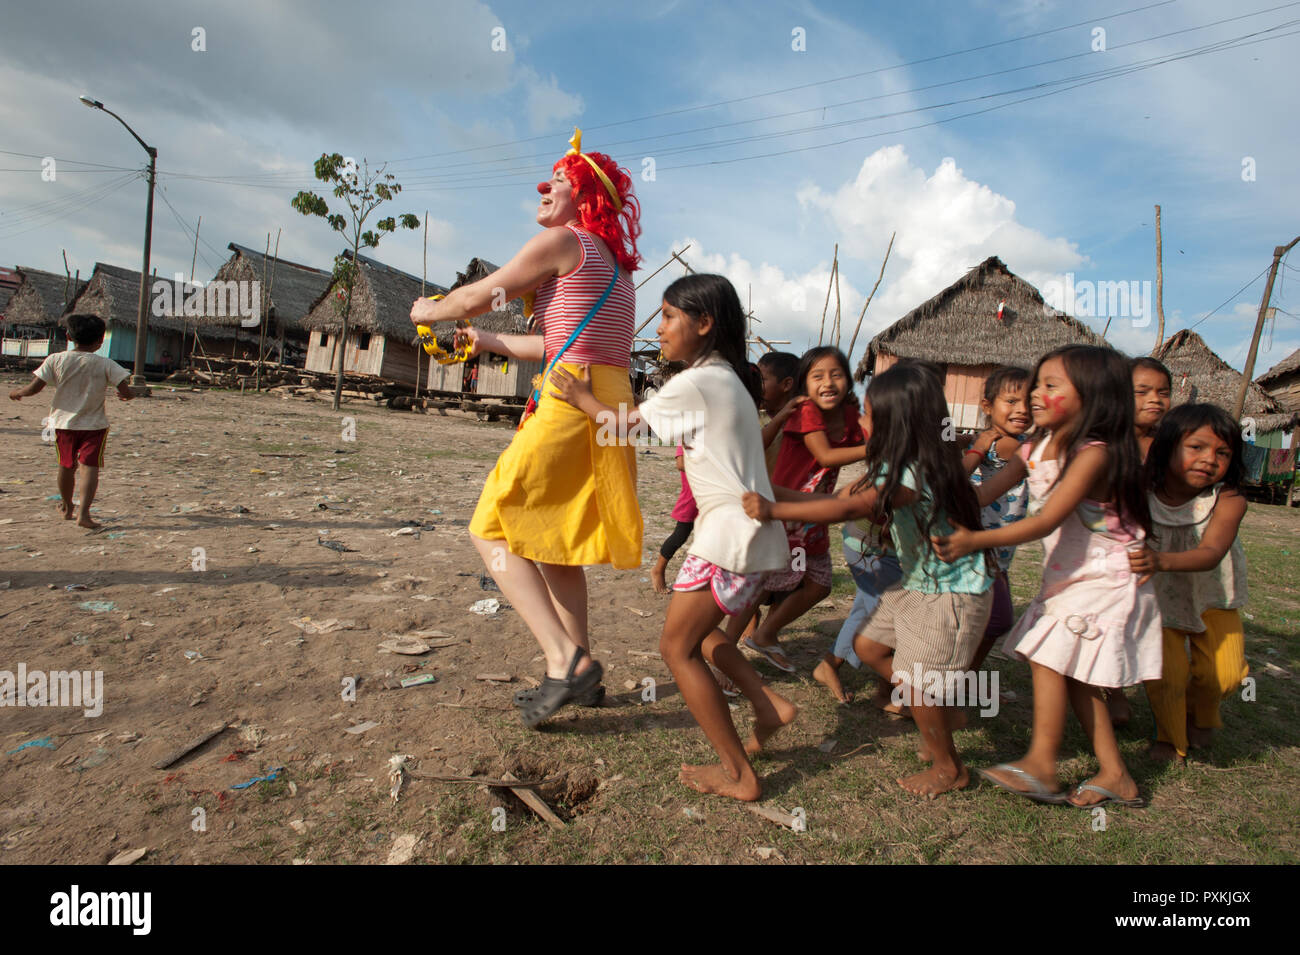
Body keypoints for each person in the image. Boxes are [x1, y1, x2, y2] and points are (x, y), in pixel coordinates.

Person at [409, 128, 641, 727]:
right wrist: (487, 342)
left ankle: (565, 659)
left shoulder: (564, 241)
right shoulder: (615, 269)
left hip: (568, 401)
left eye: (559, 182)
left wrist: (431, 310)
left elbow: (485, 293)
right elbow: (556, 342)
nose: (545, 187)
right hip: (602, 396)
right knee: (556, 541)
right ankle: (581, 666)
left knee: (490, 526)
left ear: (586, 198)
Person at [553, 274, 796, 801]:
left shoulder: (699, 382)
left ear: (703, 323)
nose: (659, 328)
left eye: (668, 316)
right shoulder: (727, 377)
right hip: (749, 539)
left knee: (677, 649)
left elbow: (625, 427)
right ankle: (766, 705)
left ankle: (741, 775)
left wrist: (579, 395)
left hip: (729, 539)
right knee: (705, 639)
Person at [745, 360, 994, 797]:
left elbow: (847, 509)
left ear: (895, 424)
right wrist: (769, 493)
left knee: (918, 683)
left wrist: (773, 511)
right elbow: (839, 497)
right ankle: (937, 711)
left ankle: (948, 765)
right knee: (869, 647)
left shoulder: (910, 473)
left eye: (869, 415)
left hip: (950, 594)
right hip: (918, 584)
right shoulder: (897, 462)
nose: (859, 420)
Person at [932, 345, 1161, 808]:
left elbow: (1046, 521)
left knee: (1049, 656)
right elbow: (981, 496)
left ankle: (1041, 763)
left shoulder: (1094, 454)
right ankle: (1116, 774)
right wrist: (930, 484)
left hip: (1107, 578)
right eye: (1039, 383)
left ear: (1093, 396)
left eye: (1050, 385)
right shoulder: (1034, 448)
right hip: (1070, 577)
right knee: (1073, 674)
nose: (1036, 393)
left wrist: (973, 542)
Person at [1129, 404, 1248, 763]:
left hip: (1214, 597)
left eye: (1223, 452)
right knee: (1165, 676)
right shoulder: (1140, 493)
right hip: (1159, 601)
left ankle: (1201, 713)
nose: (1210, 459)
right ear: (1166, 448)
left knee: (1223, 677)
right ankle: (1169, 738)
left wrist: (1159, 560)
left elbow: (1211, 552)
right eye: (1196, 447)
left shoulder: (1227, 500)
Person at [736, 346, 866, 673]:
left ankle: (764, 633)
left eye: (836, 375)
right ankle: (725, 651)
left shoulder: (847, 415)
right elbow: (824, 456)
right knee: (761, 584)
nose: (828, 382)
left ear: (849, 381)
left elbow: (865, 430)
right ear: (803, 385)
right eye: (818, 376)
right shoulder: (804, 411)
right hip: (786, 511)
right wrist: (877, 446)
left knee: (819, 583)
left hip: (812, 517)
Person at [8, 313, 133, 529]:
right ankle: (84, 514)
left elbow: (35, 388)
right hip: (94, 426)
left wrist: (19, 392)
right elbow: (125, 390)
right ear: (100, 340)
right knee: (90, 467)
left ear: (68, 335)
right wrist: (126, 396)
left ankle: (67, 507)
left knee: (66, 466)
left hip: (63, 424)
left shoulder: (56, 359)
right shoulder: (106, 363)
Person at [963, 366, 1032, 671]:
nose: (1023, 409)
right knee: (994, 619)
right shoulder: (1003, 445)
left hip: (997, 552)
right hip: (975, 549)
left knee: (994, 620)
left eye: (1030, 402)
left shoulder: (1016, 441)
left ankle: (962, 676)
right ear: (987, 406)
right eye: (1012, 402)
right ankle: (955, 677)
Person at [651, 442, 697, 594]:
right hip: (692, 495)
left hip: (710, 494)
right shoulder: (687, 435)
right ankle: (658, 570)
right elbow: (680, 463)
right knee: (680, 535)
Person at [1132, 357, 1173, 459]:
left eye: (1163, 393)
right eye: (1141, 392)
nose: (1155, 399)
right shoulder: (1103, 443)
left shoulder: (1169, 444)